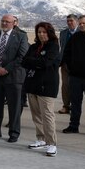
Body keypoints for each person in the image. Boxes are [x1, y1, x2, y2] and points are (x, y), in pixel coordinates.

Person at [0, 13, 28, 142]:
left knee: (14, 107)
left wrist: (6, 69)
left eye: (7, 22)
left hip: (13, 77)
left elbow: (22, 56)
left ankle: (14, 133)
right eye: (3, 21)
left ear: (14, 23)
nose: (4, 23)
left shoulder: (21, 36)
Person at [22, 21, 61, 156]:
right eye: (39, 32)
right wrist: (37, 62)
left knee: (47, 115)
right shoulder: (34, 47)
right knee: (36, 115)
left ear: (49, 33)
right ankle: (41, 138)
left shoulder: (54, 47)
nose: (41, 34)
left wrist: (34, 62)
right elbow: (24, 61)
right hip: (32, 84)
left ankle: (52, 143)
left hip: (47, 85)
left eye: (44, 32)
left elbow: (46, 63)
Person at [57, 14, 77, 114]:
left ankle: (75, 106)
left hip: (77, 65)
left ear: (76, 21)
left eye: (71, 21)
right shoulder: (63, 33)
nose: (69, 22)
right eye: (68, 21)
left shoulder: (80, 32)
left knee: (75, 86)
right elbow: (61, 47)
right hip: (65, 64)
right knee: (65, 85)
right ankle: (66, 106)